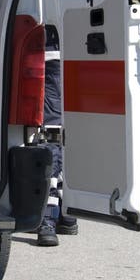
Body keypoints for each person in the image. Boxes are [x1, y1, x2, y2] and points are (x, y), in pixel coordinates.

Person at [37, 25, 79, 247]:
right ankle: (66, 210)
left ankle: (49, 215)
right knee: (68, 129)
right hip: (75, 48)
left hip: (52, 50)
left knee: (53, 132)